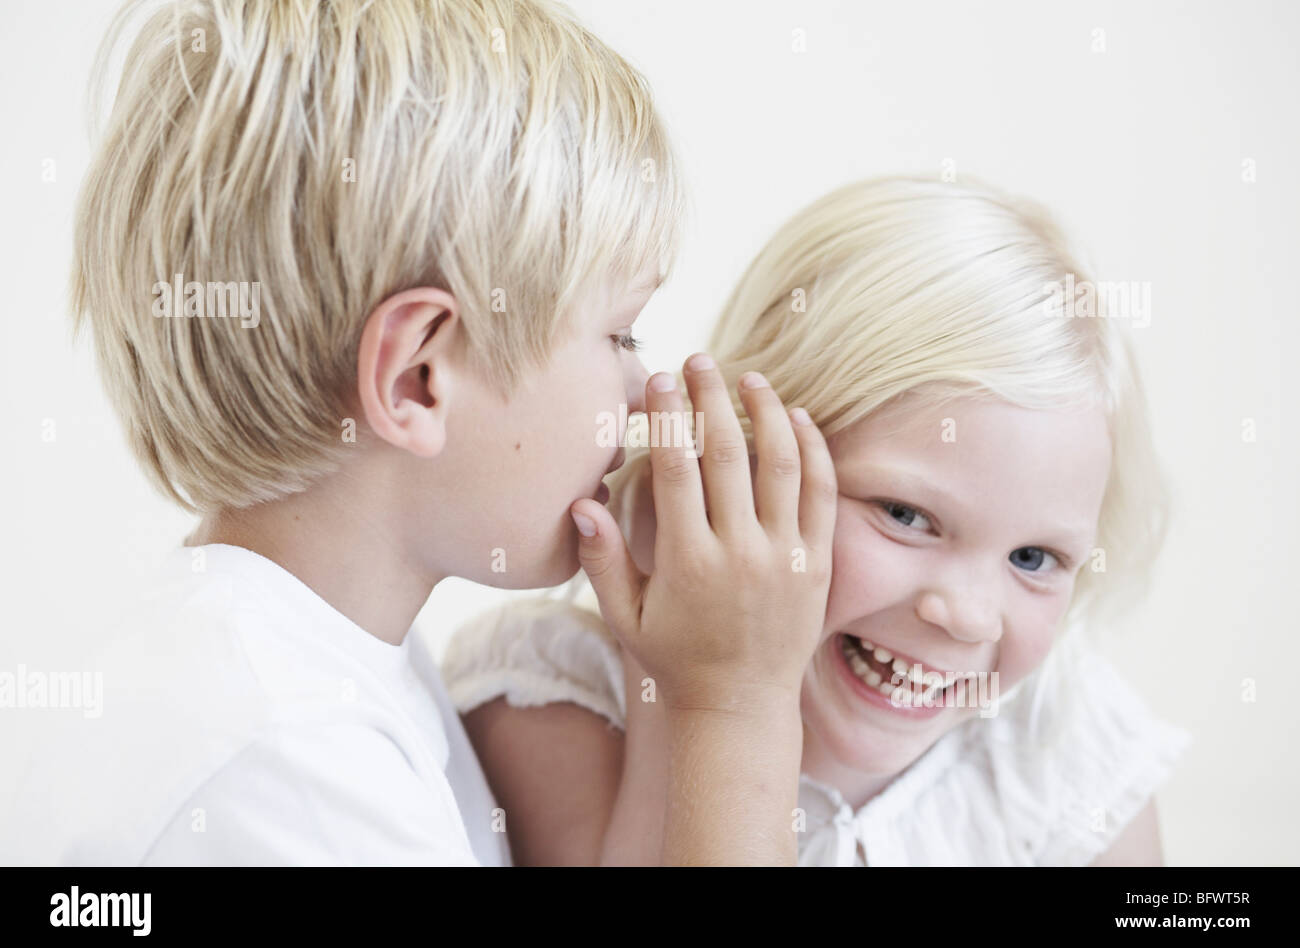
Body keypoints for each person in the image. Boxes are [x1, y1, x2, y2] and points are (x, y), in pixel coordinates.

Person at [3, 0, 835, 866]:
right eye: (620, 336)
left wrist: (681, 676)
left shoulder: (310, 671)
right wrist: (740, 701)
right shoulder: (287, 758)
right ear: (417, 380)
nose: (639, 395)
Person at [445, 176, 1193, 865]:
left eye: (1033, 559)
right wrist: (688, 681)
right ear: (729, 462)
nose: (967, 617)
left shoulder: (1072, 757)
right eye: (907, 516)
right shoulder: (550, 699)